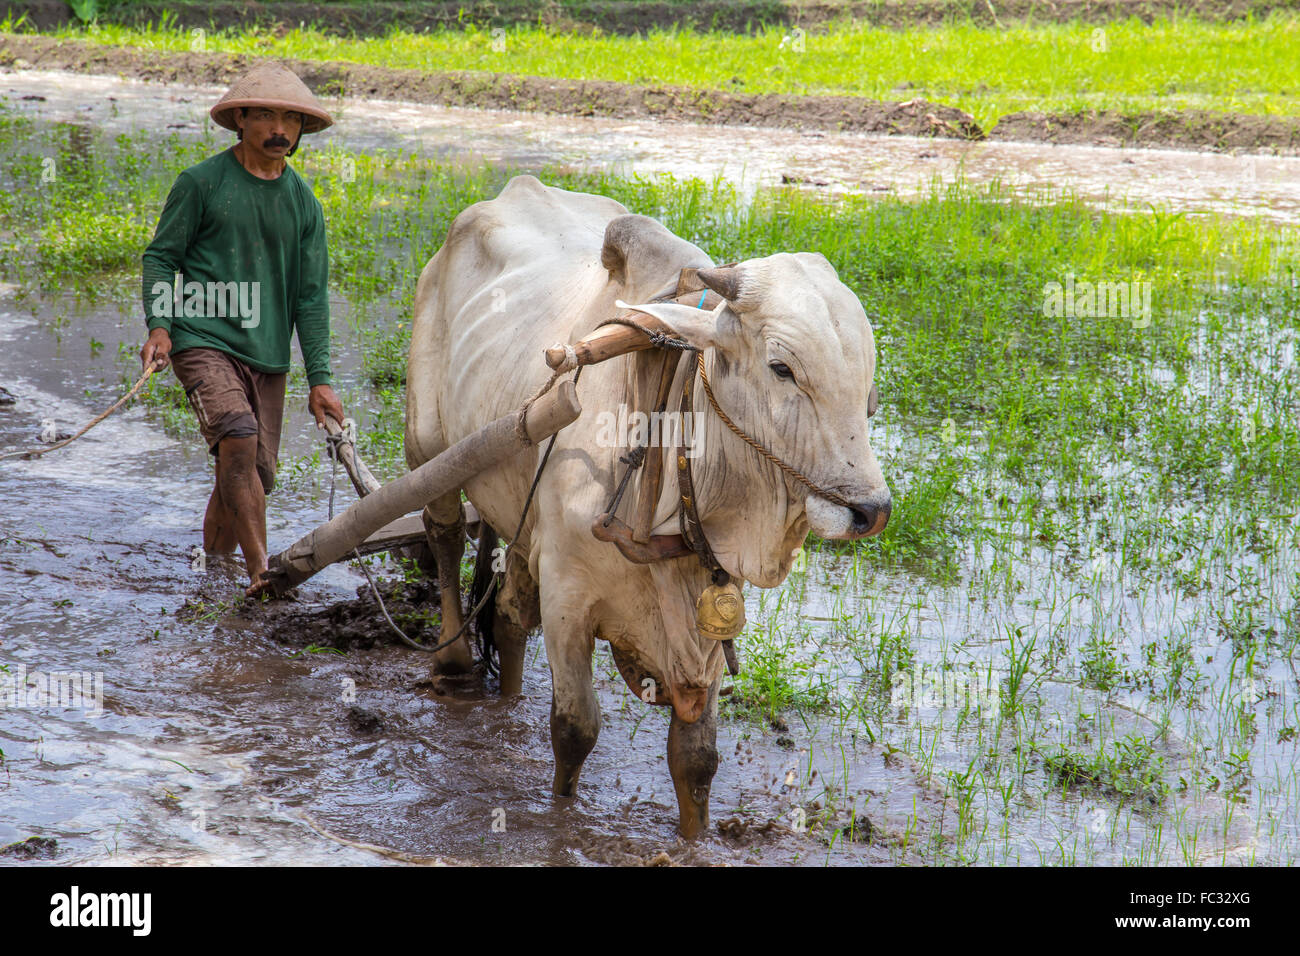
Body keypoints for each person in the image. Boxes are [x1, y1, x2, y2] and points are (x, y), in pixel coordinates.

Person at [139, 62, 344, 595]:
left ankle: (216, 572)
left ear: (301, 131)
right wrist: (160, 325)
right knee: (239, 438)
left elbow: (311, 295)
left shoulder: (303, 203)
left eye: (291, 121)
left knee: (251, 473)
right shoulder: (201, 183)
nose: (280, 130)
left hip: (267, 354)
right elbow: (162, 258)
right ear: (241, 121)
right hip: (202, 337)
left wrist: (319, 378)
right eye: (267, 116)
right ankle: (262, 573)